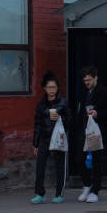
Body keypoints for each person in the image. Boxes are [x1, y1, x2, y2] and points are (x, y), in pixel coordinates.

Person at [75, 66, 107, 204]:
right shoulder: (83, 92)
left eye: (89, 80)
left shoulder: (105, 93)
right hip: (84, 130)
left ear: (95, 78)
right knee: (79, 159)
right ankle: (87, 185)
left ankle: (95, 190)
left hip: (98, 131)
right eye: (85, 80)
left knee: (97, 161)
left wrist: (98, 114)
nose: (87, 82)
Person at [31, 71, 69, 204]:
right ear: (45, 88)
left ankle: (59, 194)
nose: (51, 90)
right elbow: (37, 124)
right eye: (49, 87)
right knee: (40, 166)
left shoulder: (63, 103)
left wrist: (60, 118)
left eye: (54, 87)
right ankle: (39, 194)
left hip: (58, 138)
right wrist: (35, 143)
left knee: (60, 166)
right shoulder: (41, 104)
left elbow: (71, 121)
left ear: (57, 88)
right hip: (44, 138)